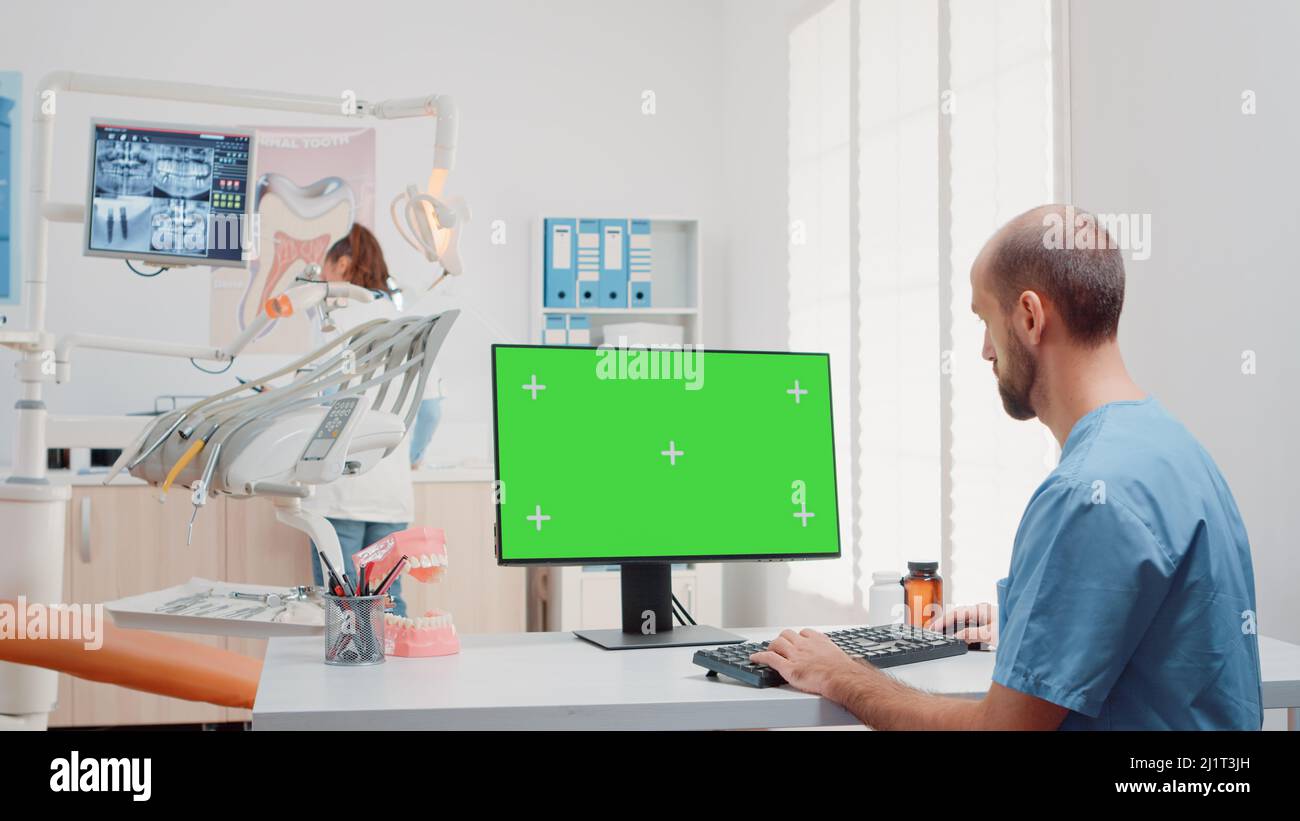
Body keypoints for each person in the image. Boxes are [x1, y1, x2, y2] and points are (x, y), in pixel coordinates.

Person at [754, 204, 1263, 730]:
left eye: (985, 321)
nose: (983, 351)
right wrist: (1029, 624)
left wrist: (843, 675)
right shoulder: (1176, 451)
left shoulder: (1086, 492)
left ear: (1029, 317)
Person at [304, 223, 412, 616]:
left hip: (340, 491)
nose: (321, 280)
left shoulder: (335, 319)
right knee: (388, 603)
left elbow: (323, 398)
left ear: (344, 264)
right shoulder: (406, 319)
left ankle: (348, 676)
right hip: (392, 492)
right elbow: (431, 408)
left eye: (325, 271)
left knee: (341, 609)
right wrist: (406, 455)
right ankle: (393, 678)